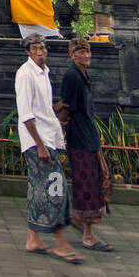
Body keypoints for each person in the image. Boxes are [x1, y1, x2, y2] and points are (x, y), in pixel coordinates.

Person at [15, 34, 83, 262]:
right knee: (56, 188)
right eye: (35, 49)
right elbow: (26, 115)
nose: (40, 52)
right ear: (28, 52)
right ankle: (60, 243)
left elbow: (40, 109)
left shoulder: (44, 72)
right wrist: (41, 146)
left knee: (39, 188)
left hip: (48, 137)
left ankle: (33, 239)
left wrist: (55, 109)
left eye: (42, 48)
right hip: (37, 142)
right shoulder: (25, 75)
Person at [60, 37, 114, 251]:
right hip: (79, 139)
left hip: (89, 136)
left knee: (100, 178)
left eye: (87, 51)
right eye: (81, 52)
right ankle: (88, 235)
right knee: (88, 185)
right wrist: (58, 133)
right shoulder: (72, 76)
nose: (86, 55)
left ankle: (78, 218)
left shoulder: (83, 75)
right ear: (72, 55)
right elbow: (66, 108)